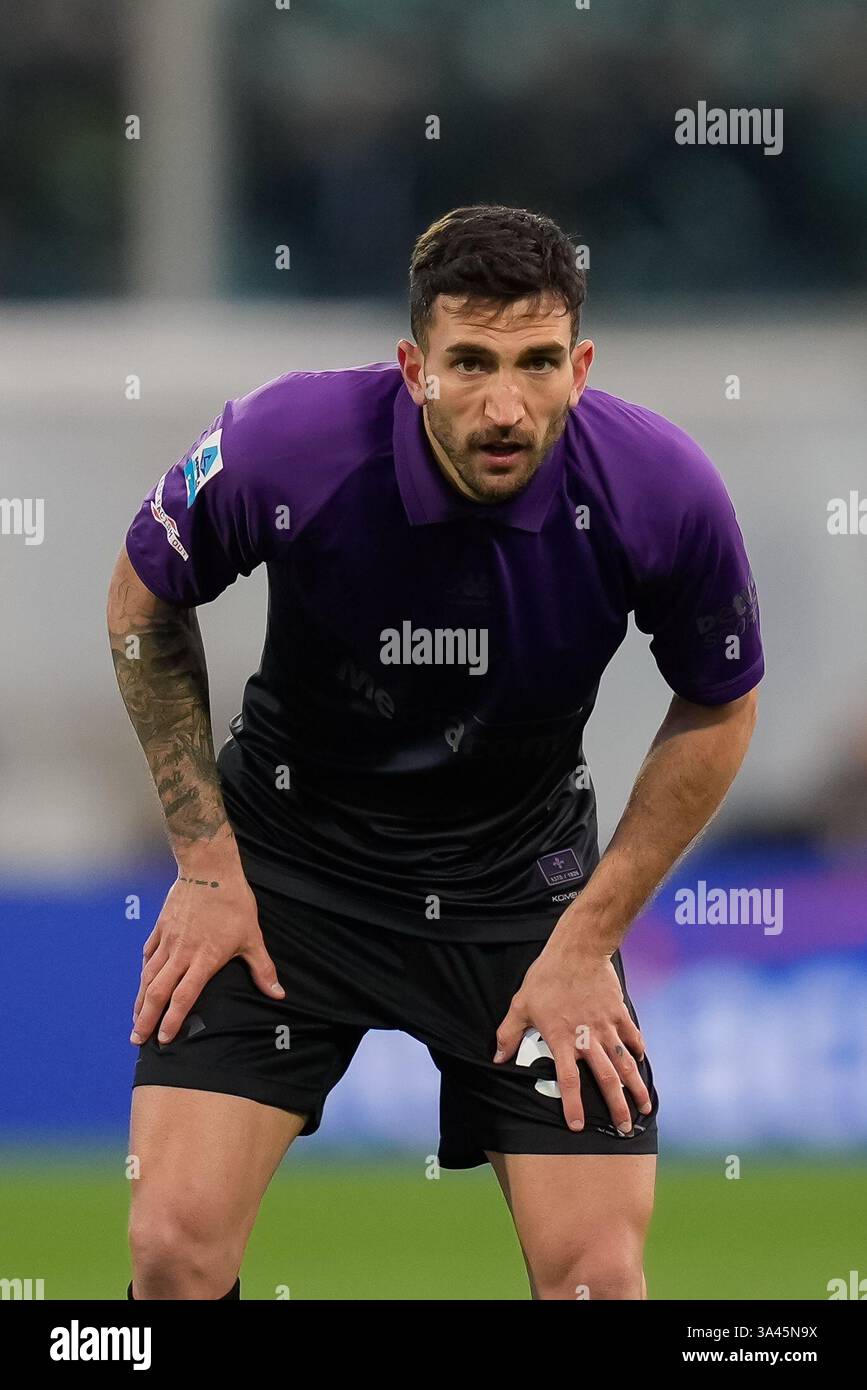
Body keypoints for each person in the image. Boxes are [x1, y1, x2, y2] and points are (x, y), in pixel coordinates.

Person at [108, 204, 763, 1301]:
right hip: (285, 880)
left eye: (537, 362)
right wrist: (207, 865)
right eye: (470, 363)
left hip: (522, 901)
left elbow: (721, 702)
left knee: (599, 1279)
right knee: (172, 1254)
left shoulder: (662, 490)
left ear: (580, 368)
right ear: (415, 367)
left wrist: (589, 937)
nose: (505, 406)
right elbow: (143, 602)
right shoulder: (289, 444)